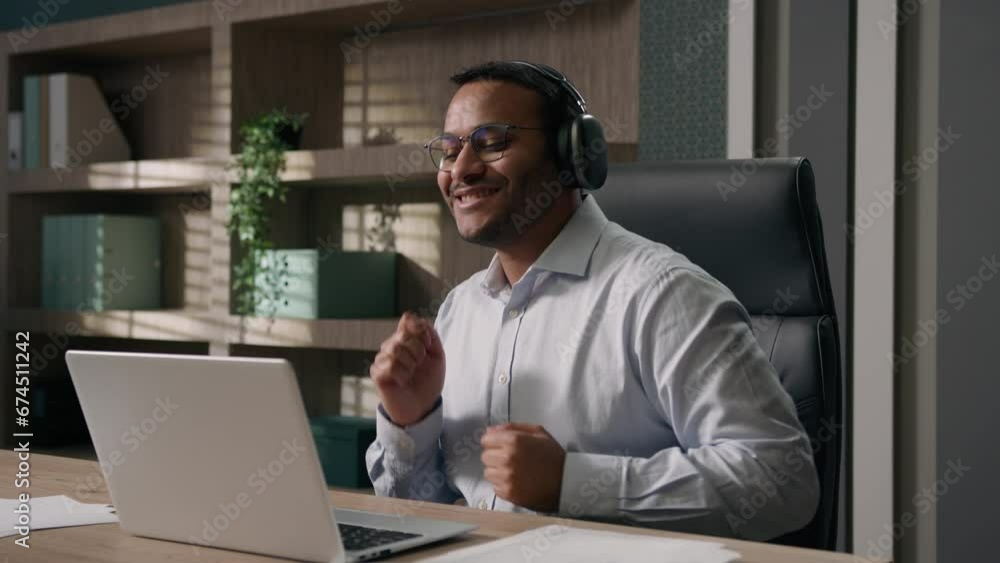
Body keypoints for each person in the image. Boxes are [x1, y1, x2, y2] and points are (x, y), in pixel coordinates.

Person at [365, 61, 819, 540]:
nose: (461, 169)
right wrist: (409, 422)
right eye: (450, 149)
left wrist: (573, 483)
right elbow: (413, 515)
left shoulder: (663, 294)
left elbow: (782, 484)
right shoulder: (461, 309)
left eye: (491, 142)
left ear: (572, 155)